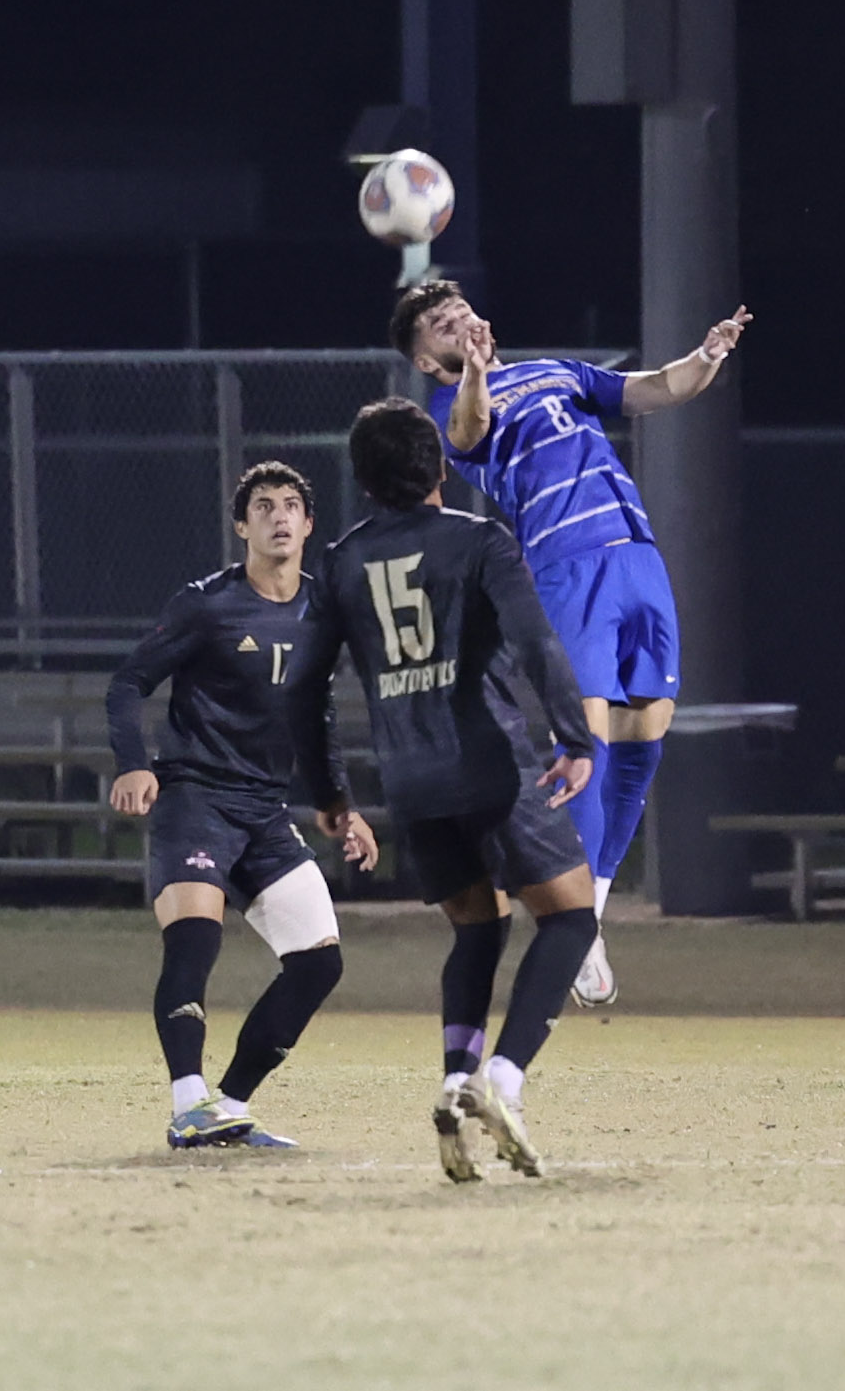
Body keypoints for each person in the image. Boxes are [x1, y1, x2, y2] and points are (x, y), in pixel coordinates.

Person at [391, 282, 752, 1006]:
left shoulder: (558, 370)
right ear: (430, 361)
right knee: (587, 739)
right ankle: (572, 914)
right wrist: (474, 372)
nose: (453, 320)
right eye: (437, 325)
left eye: (455, 309)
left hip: (637, 555)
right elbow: (467, 435)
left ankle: (594, 908)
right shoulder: (450, 407)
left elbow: (650, 390)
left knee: (646, 731)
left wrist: (706, 357)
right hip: (567, 566)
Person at [294, 397, 598, 1182]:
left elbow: (304, 689)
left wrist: (328, 790)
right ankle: (503, 1079)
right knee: (569, 917)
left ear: (362, 478)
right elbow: (535, 638)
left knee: (478, 930)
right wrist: (574, 734)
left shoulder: (341, 560)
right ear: (439, 467)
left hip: (411, 780)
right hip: (489, 765)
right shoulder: (478, 541)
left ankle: (457, 1076)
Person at [106, 461, 378, 1151]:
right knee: (196, 936)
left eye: (292, 505)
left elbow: (316, 716)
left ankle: (227, 1105)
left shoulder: (325, 611)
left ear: (309, 524)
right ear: (241, 525)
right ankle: (188, 1099)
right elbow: (128, 681)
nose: (279, 516)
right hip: (195, 796)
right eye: (264, 506)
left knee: (319, 962)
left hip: (263, 811)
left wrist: (339, 803)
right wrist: (135, 764)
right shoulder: (207, 603)